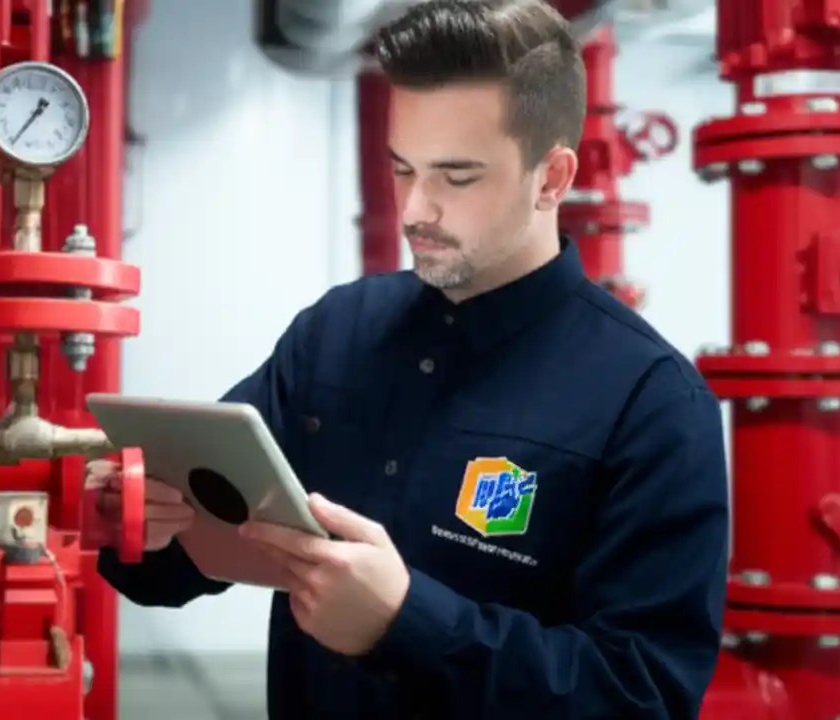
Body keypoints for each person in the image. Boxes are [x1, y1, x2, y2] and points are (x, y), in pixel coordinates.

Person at [89, 1, 729, 717]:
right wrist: (141, 527)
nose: (416, 209)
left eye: (457, 178)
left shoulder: (652, 403)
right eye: (402, 169)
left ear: (552, 177)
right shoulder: (337, 332)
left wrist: (406, 624)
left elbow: (643, 697)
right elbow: (184, 564)